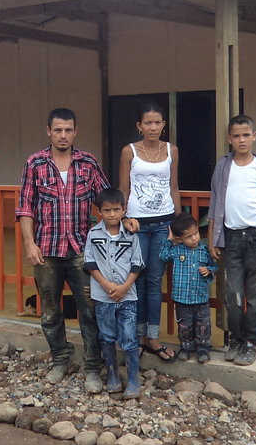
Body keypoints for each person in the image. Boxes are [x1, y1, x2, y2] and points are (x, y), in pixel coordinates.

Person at [17, 108, 111, 392]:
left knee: (90, 310)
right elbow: (25, 207)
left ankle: (93, 366)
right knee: (50, 311)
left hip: (82, 249)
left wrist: (123, 222)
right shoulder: (35, 163)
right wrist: (29, 243)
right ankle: (61, 359)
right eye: (58, 130)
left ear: (75, 132)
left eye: (68, 130)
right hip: (46, 249)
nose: (63, 135)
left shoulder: (88, 163)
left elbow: (107, 201)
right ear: (49, 131)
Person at [208, 114, 256, 367]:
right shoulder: (223, 167)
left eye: (246, 135)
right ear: (229, 139)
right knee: (232, 294)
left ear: (254, 136)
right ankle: (235, 340)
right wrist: (213, 238)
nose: (241, 140)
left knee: (255, 295)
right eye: (236, 136)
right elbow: (215, 202)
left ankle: (251, 343)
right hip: (231, 238)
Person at [119, 103, 180, 363]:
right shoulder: (129, 151)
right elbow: (124, 189)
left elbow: (174, 187)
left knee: (155, 281)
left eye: (157, 122)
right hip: (137, 225)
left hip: (163, 224)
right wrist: (123, 218)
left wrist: (177, 225)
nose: (153, 127)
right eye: (148, 123)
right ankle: (137, 336)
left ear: (164, 124)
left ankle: (152, 337)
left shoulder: (171, 150)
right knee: (138, 280)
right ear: (139, 126)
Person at [83, 187, 145, 398]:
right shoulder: (93, 234)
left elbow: (137, 264)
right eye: (107, 210)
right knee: (107, 335)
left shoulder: (131, 235)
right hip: (103, 297)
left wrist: (124, 287)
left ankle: (134, 380)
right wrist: (106, 285)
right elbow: (90, 263)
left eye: (116, 210)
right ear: (99, 211)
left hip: (128, 296)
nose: (111, 214)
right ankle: (112, 375)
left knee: (129, 337)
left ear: (124, 210)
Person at [159, 212, 217, 363]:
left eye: (196, 233)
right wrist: (169, 240)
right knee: (185, 325)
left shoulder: (204, 250)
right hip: (182, 298)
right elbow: (163, 256)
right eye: (189, 236)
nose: (194, 238)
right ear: (179, 239)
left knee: (203, 324)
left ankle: (203, 349)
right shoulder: (177, 250)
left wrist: (208, 270)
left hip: (200, 296)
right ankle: (186, 347)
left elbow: (214, 265)